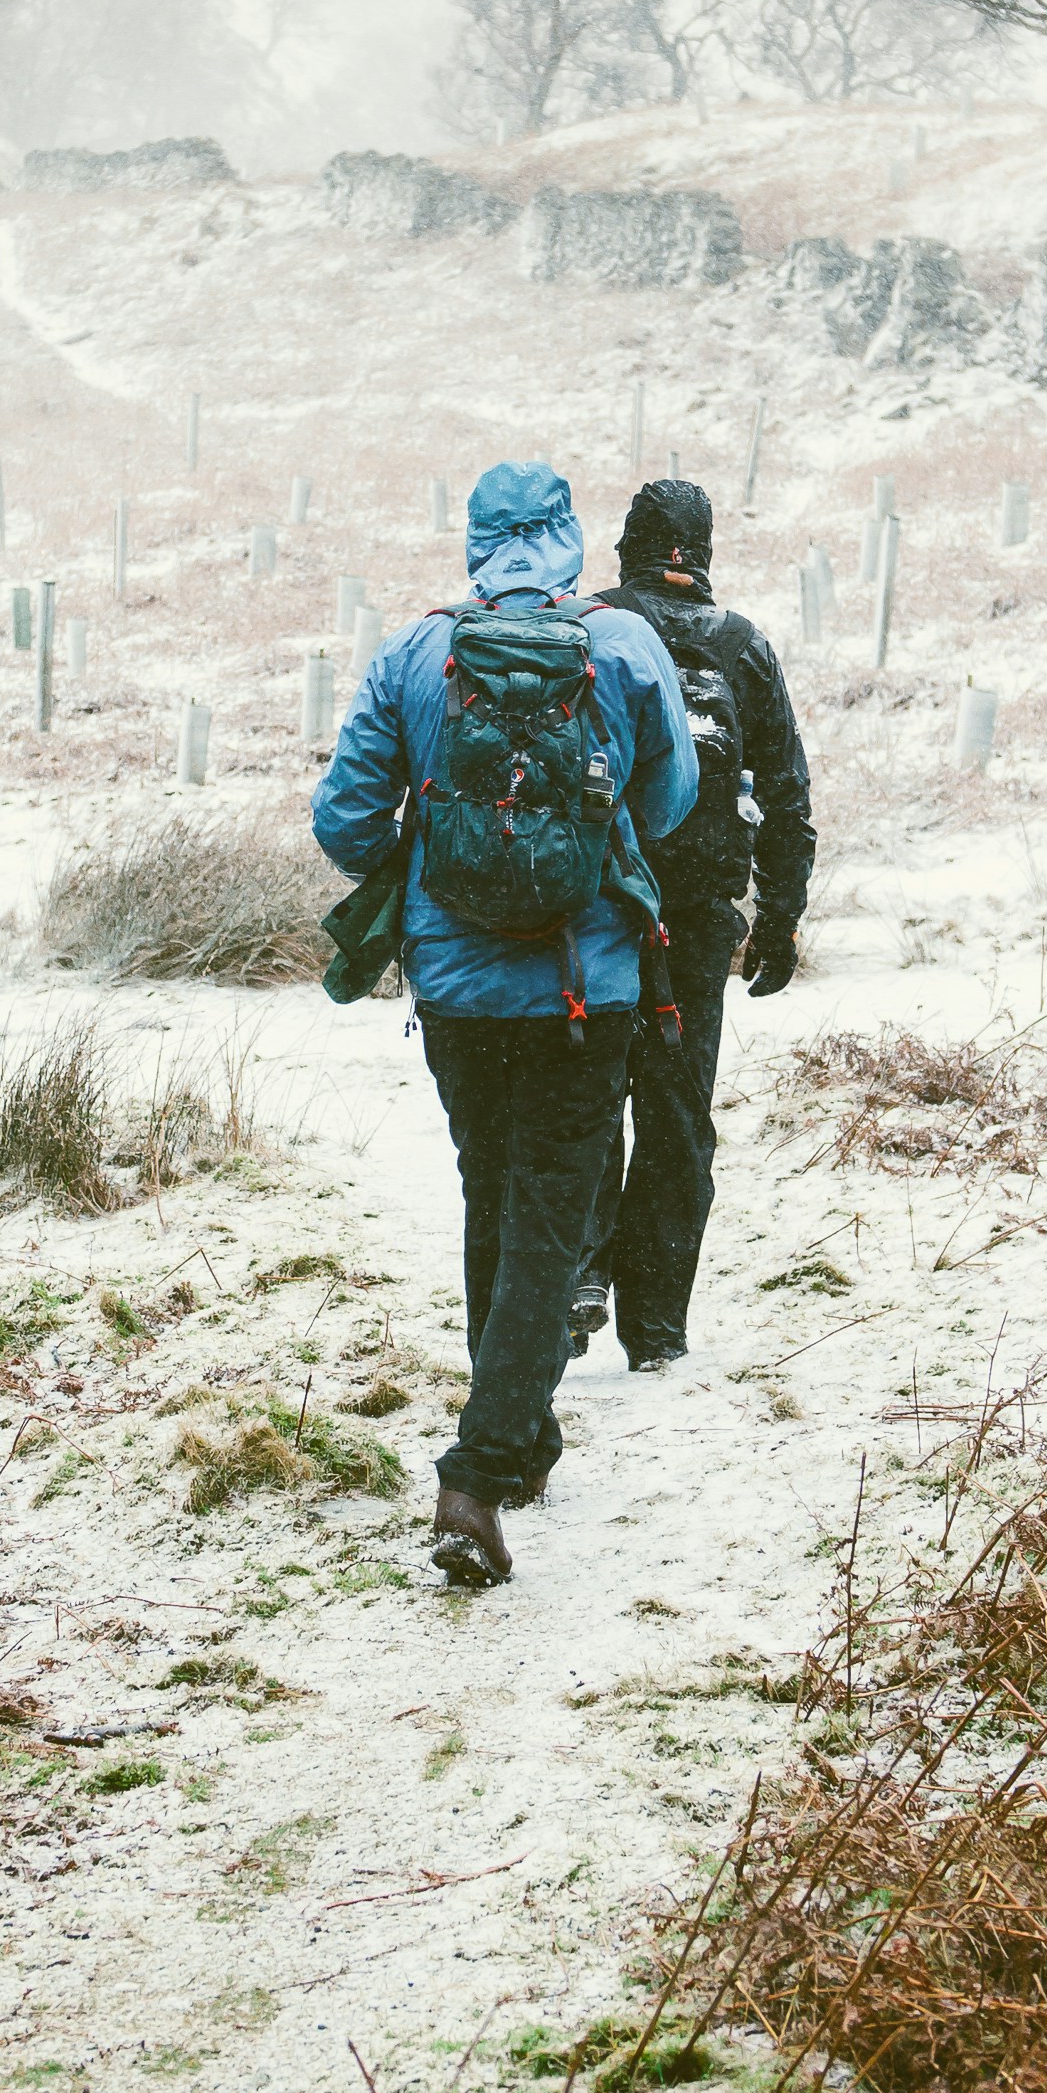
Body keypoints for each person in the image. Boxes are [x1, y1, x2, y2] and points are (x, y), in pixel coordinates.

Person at [312, 461, 696, 1591]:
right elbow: (669, 804)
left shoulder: (412, 654)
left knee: (496, 1192)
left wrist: (431, 877)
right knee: (549, 1214)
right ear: (570, 541)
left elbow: (343, 818)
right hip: (589, 983)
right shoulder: (622, 649)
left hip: (457, 992)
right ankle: (478, 1475)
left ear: (475, 542)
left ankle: (519, 1437)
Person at [577, 475, 814, 1373]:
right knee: (677, 1122)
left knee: (587, 1096)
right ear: (704, 551)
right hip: (697, 922)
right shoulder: (740, 645)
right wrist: (779, 921)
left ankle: (579, 1275)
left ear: (625, 544)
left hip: (590, 913)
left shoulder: (587, 628)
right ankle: (659, 1331)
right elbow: (787, 797)